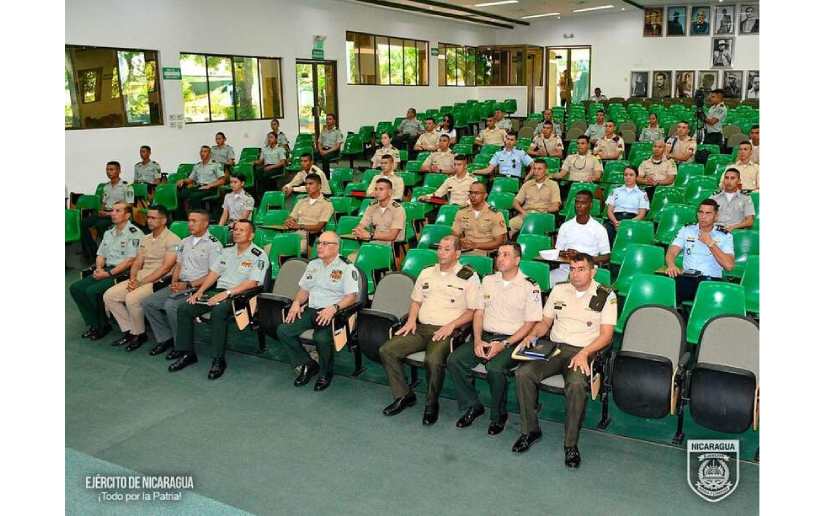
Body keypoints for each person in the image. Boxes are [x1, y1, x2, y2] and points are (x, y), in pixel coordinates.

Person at [512, 252, 617, 468]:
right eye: (572, 269)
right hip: (555, 348)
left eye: (581, 269)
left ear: (593, 271)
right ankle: (530, 430)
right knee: (523, 374)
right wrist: (533, 335)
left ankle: (570, 444)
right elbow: (545, 322)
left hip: (582, 351)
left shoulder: (606, 295)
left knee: (576, 385)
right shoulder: (559, 290)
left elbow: (606, 335)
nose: (575, 274)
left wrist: (585, 353)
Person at [379, 235, 481, 425]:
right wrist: (411, 320)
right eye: (439, 248)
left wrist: (452, 325)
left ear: (458, 253)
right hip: (421, 328)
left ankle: (431, 403)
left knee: (433, 360)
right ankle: (403, 395)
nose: (441, 252)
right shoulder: (426, 272)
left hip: (447, 330)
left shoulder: (468, 276)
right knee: (387, 350)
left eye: (447, 249)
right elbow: (416, 301)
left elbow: (473, 310)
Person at [446, 243, 543, 435]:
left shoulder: (530, 286)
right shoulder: (488, 281)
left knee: (495, 368)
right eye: (498, 254)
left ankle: (498, 415)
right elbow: (479, 313)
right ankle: (473, 405)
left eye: (506, 255)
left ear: (517, 260)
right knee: (454, 360)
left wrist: (504, 344)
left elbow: (530, 324)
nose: (500, 258)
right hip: (486, 336)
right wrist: (477, 340)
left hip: (513, 341)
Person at [168, 219, 270, 380]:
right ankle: (187, 353)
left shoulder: (258, 255)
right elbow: (214, 273)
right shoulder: (227, 251)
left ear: (251, 235)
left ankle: (218, 359)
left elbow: (252, 283)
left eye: (242, 230)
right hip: (219, 291)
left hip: (242, 296)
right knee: (184, 308)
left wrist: (228, 293)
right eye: (235, 229)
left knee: (219, 311)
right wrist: (200, 291)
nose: (236, 232)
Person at [277, 232, 360, 391]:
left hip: (333, 312)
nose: (320, 247)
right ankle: (307, 364)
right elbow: (304, 290)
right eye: (319, 243)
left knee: (321, 338)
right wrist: (296, 303)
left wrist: (334, 308)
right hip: (312, 309)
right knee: (284, 330)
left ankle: (325, 373)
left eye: (325, 243)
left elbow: (352, 297)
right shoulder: (313, 264)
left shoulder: (347, 268)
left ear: (336, 247)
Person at [142, 210, 223, 358]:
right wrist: (174, 283)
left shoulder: (213, 245)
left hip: (199, 288)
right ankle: (165, 338)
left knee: (171, 306)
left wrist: (188, 285)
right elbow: (178, 265)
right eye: (189, 220)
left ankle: (181, 346)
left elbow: (213, 275)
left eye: (194, 221)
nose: (190, 224)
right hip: (180, 285)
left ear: (205, 224)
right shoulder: (184, 241)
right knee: (148, 303)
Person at [103, 205, 180, 351]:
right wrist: (133, 279)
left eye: (153, 218)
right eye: (148, 217)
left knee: (132, 299)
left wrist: (140, 283)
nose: (149, 220)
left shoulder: (173, 240)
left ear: (164, 220)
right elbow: (137, 262)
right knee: (109, 296)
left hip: (159, 280)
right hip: (141, 277)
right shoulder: (145, 238)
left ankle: (139, 334)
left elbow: (165, 268)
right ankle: (129, 330)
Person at [70, 201, 142, 340]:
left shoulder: (134, 233)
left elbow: (130, 261)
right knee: (76, 288)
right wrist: (98, 269)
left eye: (118, 211)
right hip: (106, 270)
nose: (113, 214)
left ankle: (102, 326)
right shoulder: (109, 233)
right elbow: (101, 255)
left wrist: (107, 274)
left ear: (127, 215)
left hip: (123, 272)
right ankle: (94, 323)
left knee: (93, 291)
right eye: (112, 210)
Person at [665, 199, 735, 304]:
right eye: (701, 212)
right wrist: (671, 265)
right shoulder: (687, 230)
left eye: (708, 213)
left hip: (710, 281)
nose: (703, 216)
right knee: (665, 292)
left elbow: (729, 266)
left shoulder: (725, 236)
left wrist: (711, 244)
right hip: (687, 278)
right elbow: (672, 251)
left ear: (716, 216)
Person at [552, 190, 611, 284]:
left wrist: (583, 258)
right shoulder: (565, 226)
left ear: (590, 205)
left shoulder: (599, 229)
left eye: (583, 203)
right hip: (566, 268)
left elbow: (606, 256)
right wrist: (566, 254)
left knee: (572, 283)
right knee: (546, 279)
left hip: (587, 270)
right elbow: (558, 251)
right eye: (577, 202)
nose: (579, 206)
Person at [81, 161, 135, 259]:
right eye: (107, 170)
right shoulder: (106, 187)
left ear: (119, 171)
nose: (109, 172)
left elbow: (129, 205)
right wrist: (101, 211)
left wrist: (110, 213)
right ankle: (92, 251)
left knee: (100, 225)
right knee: (84, 222)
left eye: (111, 169)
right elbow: (104, 203)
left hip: (118, 215)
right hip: (106, 213)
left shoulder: (127, 187)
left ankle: (108, 252)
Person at [351, 178, 405, 260]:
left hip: (391, 247)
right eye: (376, 189)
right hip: (373, 244)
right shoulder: (372, 206)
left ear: (390, 192)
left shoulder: (398, 209)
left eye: (381, 189)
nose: (377, 192)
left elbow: (392, 236)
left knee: (358, 259)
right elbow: (362, 223)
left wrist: (369, 235)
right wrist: (358, 231)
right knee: (350, 258)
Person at [451, 182, 507, 256]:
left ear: (485, 195)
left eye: (476, 193)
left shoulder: (495, 214)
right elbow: (455, 234)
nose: (473, 196)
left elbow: (499, 242)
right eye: (471, 193)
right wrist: (460, 240)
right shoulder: (462, 212)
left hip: (486, 253)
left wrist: (476, 245)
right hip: (466, 250)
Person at [509, 160, 561, 237]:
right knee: (508, 227)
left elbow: (555, 206)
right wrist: (523, 212)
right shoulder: (527, 184)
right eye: (534, 169)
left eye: (539, 169)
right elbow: (515, 202)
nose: (536, 171)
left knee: (535, 229)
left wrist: (543, 213)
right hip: (526, 215)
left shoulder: (553, 185)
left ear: (546, 171)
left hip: (542, 216)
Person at [284, 174, 334, 254]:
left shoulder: (326, 204)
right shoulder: (301, 201)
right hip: (295, 234)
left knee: (286, 248)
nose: (307, 186)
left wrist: (300, 226)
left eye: (311, 184)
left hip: (311, 237)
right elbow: (291, 217)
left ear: (319, 186)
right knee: (270, 247)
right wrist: (289, 221)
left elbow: (319, 227)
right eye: (306, 184)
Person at [604, 168, 650, 244]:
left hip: (633, 220)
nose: (628, 177)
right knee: (605, 231)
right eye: (625, 175)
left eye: (631, 175)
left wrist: (626, 223)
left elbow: (642, 214)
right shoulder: (615, 191)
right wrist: (615, 222)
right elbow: (609, 210)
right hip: (615, 219)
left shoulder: (642, 193)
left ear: (636, 177)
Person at [176, 146, 224, 214]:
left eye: (205, 151)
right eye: (201, 151)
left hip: (211, 188)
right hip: (199, 187)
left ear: (210, 154)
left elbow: (222, 180)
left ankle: (198, 216)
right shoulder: (197, 166)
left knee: (194, 196)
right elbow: (191, 179)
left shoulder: (216, 165)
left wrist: (209, 185)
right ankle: (182, 216)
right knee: (181, 194)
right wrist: (183, 180)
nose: (202, 153)